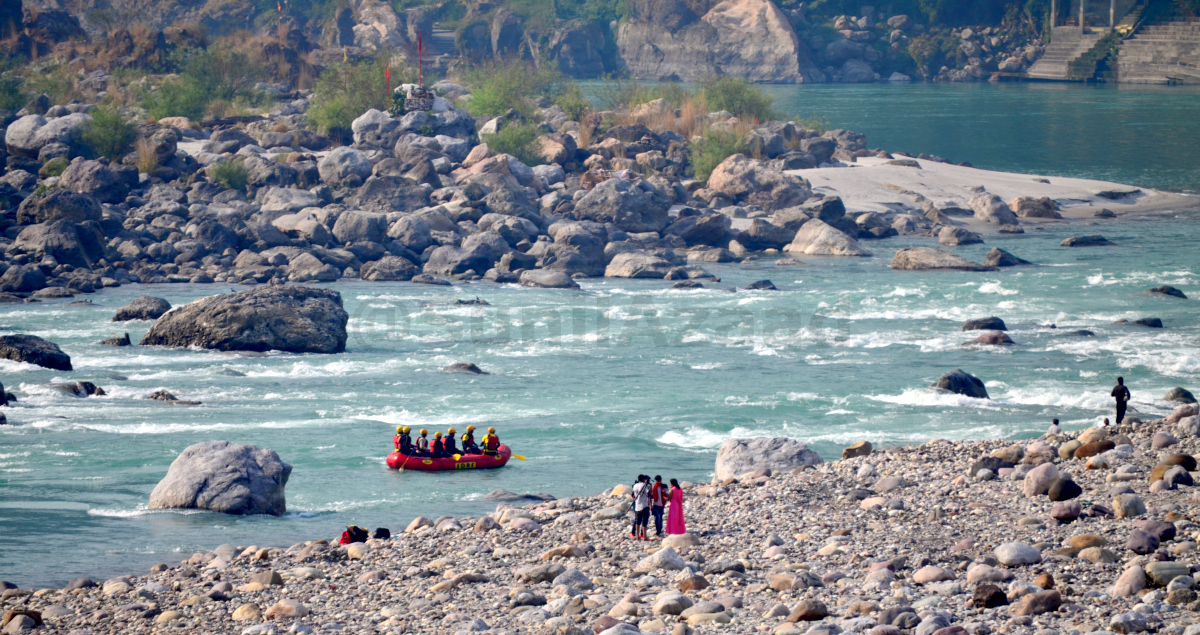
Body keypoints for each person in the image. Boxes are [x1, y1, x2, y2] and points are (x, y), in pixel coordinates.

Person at [630, 475, 651, 541]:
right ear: (644, 479)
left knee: (637, 522)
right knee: (644, 522)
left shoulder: (635, 485)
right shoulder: (645, 485)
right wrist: (650, 487)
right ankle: (644, 537)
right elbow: (649, 494)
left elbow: (633, 495)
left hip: (637, 506)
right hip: (644, 505)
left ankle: (637, 536)